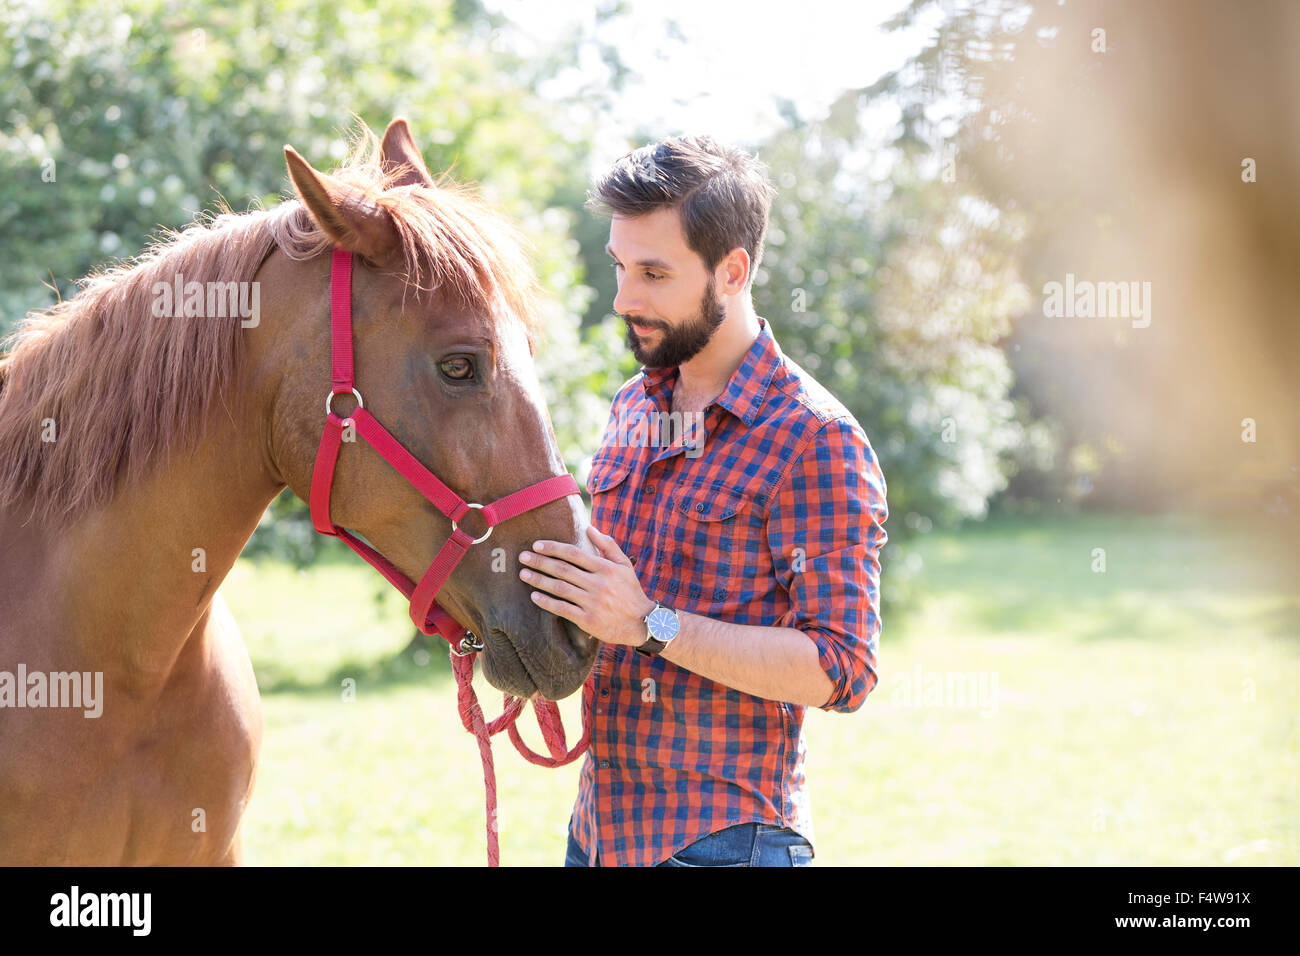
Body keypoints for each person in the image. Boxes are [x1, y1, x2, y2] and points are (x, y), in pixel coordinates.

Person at [516, 135, 889, 867]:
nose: (625, 299)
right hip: (595, 836)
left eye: (654, 273)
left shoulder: (813, 438)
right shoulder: (632, 406)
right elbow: (607, 600)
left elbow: (842, 669)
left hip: (725, 846)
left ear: (733, 270)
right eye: (620, 267)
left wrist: (651, 624)